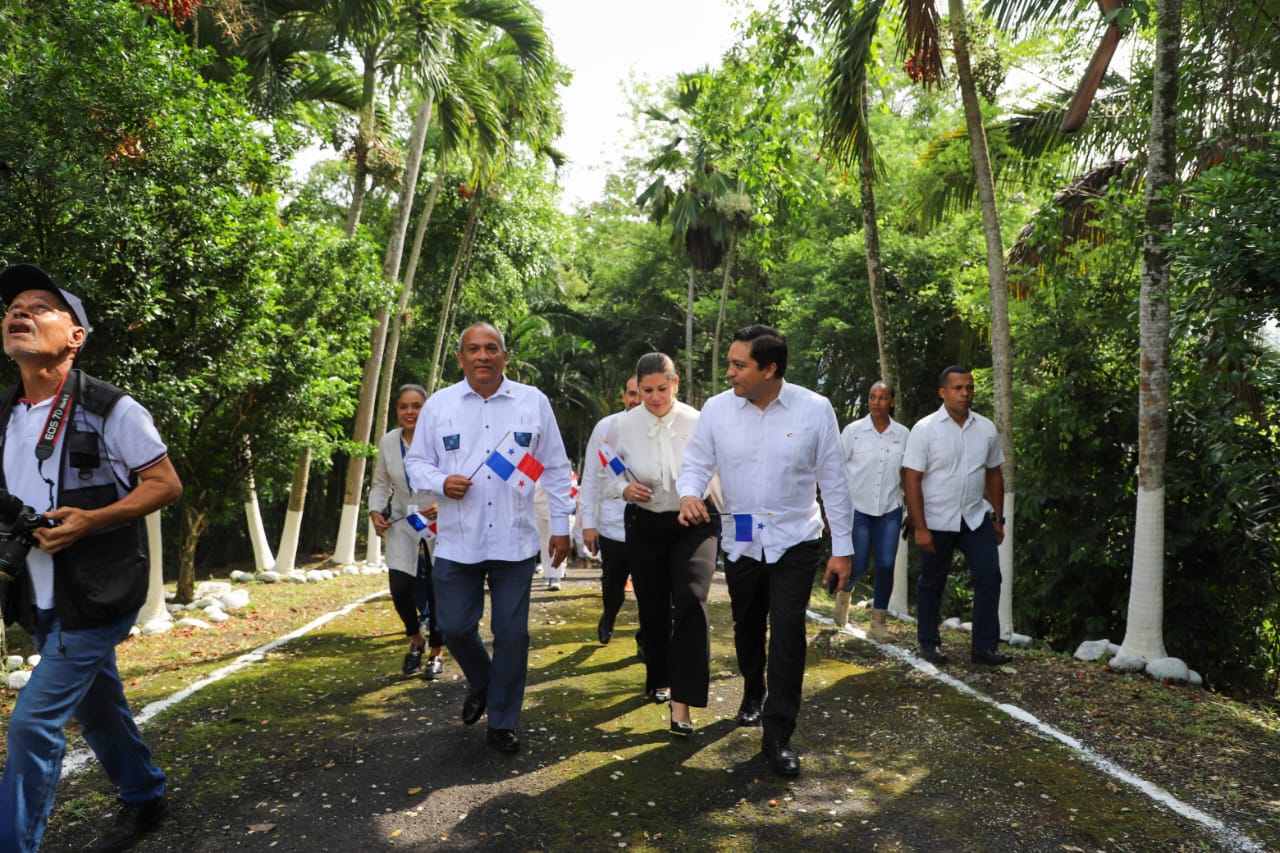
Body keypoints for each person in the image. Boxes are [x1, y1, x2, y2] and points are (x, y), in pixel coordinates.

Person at [0, 263, 183, 853]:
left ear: (75, 336)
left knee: (31, 725)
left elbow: (165, 484)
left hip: (97, 592)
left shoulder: (110, 408)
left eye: (39, 307)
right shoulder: (3, 414)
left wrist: (90, 520)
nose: (19, 312)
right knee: (98, 705)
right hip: (33, 596)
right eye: (14, 308)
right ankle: (144, 791)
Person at [677, 325, 852, 777]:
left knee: (789, 629)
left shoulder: (815, 410)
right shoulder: (717, 410)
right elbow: (696, 462)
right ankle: (753, 687)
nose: (730, 372)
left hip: (796, 537)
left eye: (739, 365)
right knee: (747, 623)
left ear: (770, 369)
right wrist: (689, 495)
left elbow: (833, 481)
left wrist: (843, 550)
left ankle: (778, 734)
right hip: (741, 538)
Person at [403, 322, 573, 754]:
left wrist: (560, 526)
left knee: (512, 634)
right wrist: (443, 483)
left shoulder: (532, 403)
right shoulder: (439, 406)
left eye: (491, 348)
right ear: (460, 359)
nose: (482, 356)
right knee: (456, 627)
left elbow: (554, 467)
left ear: (504, 356)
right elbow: (417, 464)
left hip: (515, 543)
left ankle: (502, 722)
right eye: (473, 349)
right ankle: (483, 681)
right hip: (459, 542)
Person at [605, 354, 718, 736]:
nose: (653, 398)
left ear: (676, 383)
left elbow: (717, 472)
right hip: (645, 523)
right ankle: (661, 678)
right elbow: (608, 476)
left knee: (690, 598)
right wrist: (625, 489)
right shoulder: (621, 425)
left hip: (694, 522)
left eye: (662, 389)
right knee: (652, 609)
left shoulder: (699, 420)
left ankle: (682, 702)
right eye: (646, 390)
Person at [901, 365, 1012, 667]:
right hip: (936, 519)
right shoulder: (925, 429)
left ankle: (984, 648)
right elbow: (911, 479)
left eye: (969, 388)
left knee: (990, 575)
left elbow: (993, 473)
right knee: (933, 581)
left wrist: (999, 518)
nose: (965, 394)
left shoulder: (985, 428)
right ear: (943, 392)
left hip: (975, 518)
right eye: (958, 388)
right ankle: (928, 643)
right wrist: (920, 526)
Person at [368, 384, 444, 679]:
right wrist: (376, 512)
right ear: (397, 410)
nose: (410, 412)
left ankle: (436, 652)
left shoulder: (441, 438)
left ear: (427, 409)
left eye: (417, 406)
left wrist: (443, 502)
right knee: (400, 588)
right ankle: (416, 639)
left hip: (440, 520)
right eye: (404, 407)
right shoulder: (389, 442)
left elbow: (454, 478)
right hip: (403, 521)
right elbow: (381, 483)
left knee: (439, 590)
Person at [836, 380, 909, 640]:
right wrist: (833, 507)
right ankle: (844, 595)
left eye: (882, 397)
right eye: (872, 397)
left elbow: (908, 473)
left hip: (890, 508)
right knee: (858, 563)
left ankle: (878, 624)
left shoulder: (903, 434)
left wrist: (911, 507)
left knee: (887, 564)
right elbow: (836, 469)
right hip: (858, 509)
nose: (876, 402)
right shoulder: (853, 431)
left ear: (892, 402)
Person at [578, 376, 643, 656]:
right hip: (613, 526)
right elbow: (590, 478)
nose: (636, 401)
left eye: (642, 394)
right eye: (632, 394)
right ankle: (609, 614)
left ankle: (647, 640)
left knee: (651, 589)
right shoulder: (605, 428)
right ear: (623, 395)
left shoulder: (664, 430)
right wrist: (588, 525)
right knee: (613, 585)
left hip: (650, 526)